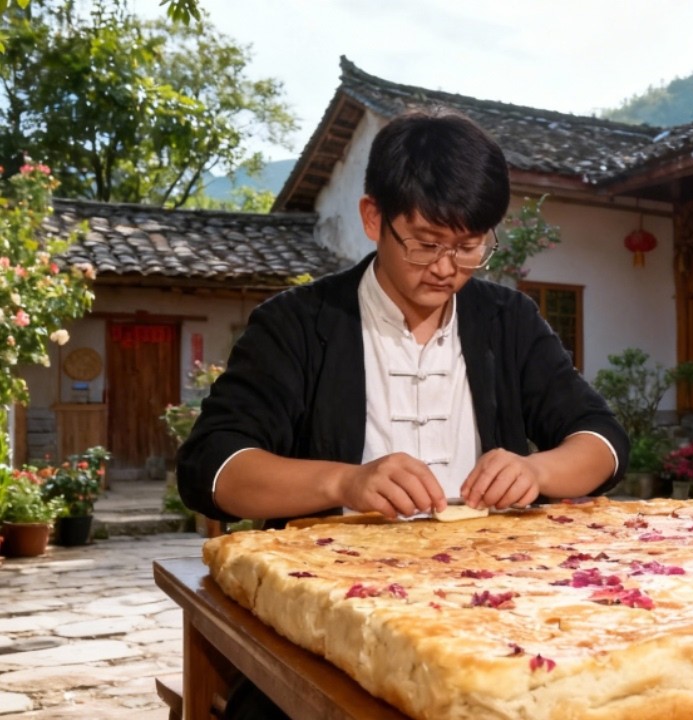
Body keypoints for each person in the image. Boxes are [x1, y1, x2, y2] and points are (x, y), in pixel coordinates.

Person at [177, 108, 628, 529]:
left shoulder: (507, 319)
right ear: (373, 219)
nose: (446, 268)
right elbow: (211, 464)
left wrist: (536, 470)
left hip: (487, 578)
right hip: (333, 579)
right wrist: (345, 482)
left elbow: (602, 439)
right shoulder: (295, 324)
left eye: (468, 247)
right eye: (426, 244)